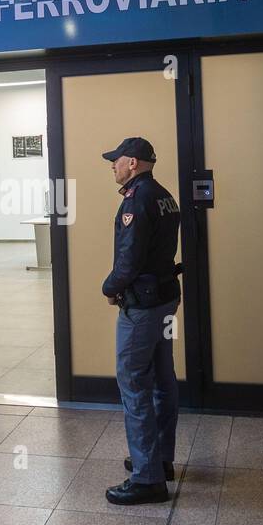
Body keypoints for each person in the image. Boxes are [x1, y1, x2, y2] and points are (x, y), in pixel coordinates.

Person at [100, 137, 182, 506]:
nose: (112, 167)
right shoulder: (164, 194)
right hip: (165, 297)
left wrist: (109, 286)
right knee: (162, 379)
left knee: (134, 383)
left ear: (132, 162)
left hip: (143, 304)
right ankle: (160, 459)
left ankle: (147, 478)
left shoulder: (136, 199)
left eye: (115, 161)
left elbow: (129, 258)